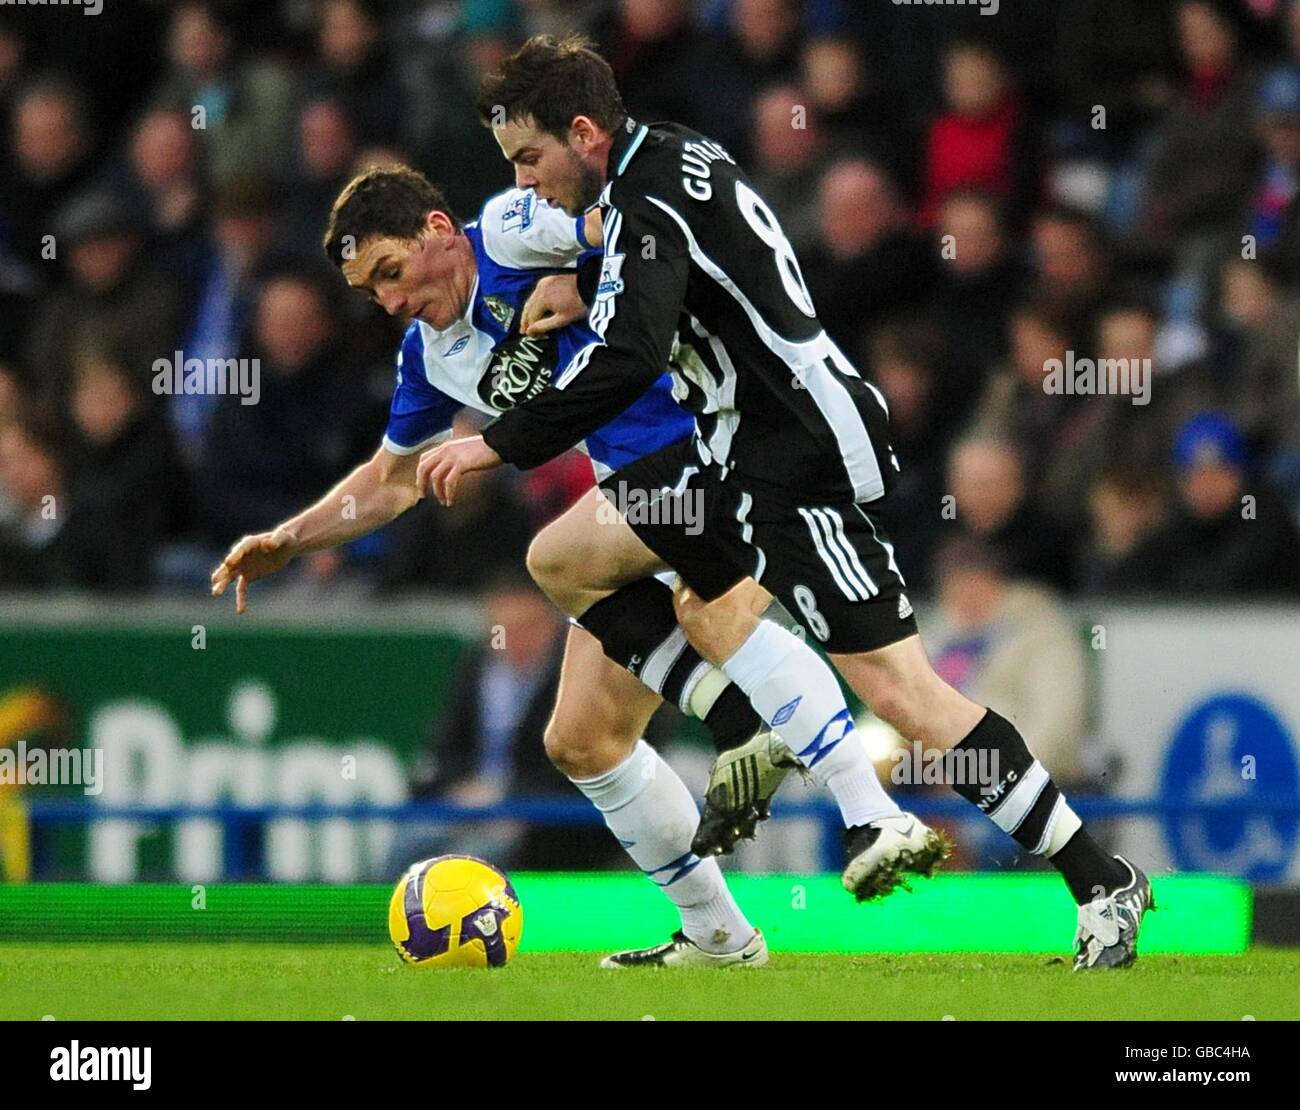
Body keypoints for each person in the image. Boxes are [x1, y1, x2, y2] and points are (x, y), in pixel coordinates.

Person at [420, 35, 1152, 970]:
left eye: (531, 159)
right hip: (729, 454)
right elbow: (658, 259)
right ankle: (746, 732)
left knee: (905, 692)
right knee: (566, 557)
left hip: (794, 456)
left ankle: (1097, 881)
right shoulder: (668, 159)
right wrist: (582, 271)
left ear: (584, 132)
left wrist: (497, 442)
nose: (528, 184)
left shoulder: (642, 207)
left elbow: (632, 356)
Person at [213, 166, 776, 969]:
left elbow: (647, 231)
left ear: (439, 229)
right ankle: (724, 938)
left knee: (566, 564)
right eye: (371, 291)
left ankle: (776, 742)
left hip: (714, 455)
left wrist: (585, 277)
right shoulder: (430, 356)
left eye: (391, 272)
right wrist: (293, 538)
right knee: (582, 739)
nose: (390, 301)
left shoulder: (523, 236)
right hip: (630, 501)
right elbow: (392, 479)